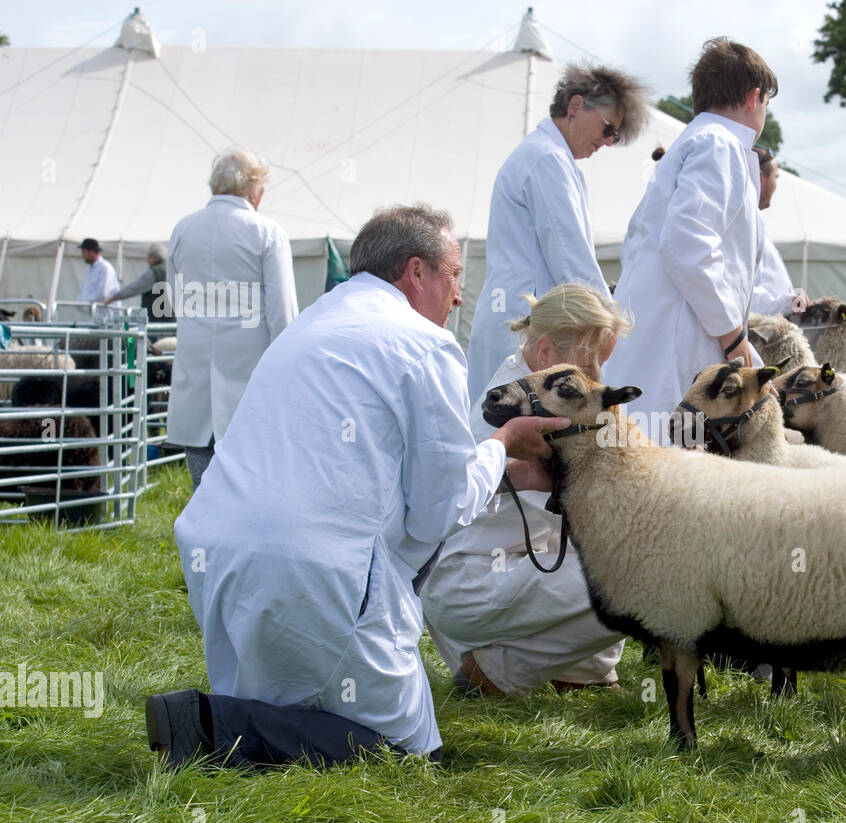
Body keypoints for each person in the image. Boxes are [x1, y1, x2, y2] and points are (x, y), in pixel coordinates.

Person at [146, 205, 563, 770]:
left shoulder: (313, 323)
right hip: (314, 571)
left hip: (218, 555)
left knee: (298, 700)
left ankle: (230, 724)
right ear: (417, 272)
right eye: (456, 275)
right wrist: (502, 444)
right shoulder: (425, 344)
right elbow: (438, 512)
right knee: (411, 759)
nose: (461, 296)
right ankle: (207, 727)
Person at [421, 282, 631, 696]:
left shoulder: (529, 386)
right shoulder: (521, 407)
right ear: (548, 352)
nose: (597, 380)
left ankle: (582, 673)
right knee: (632, 576)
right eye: (590, 368)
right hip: (472, 581)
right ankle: (496, 672)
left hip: (496, 571)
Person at [604, 38, 777, 444]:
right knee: (667, 472)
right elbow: (687, 243)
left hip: (665, 331)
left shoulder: (697, 141)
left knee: (642, 459)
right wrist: (733, 338)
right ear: (755, 97)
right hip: (681, 342)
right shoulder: (719, 144)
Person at [464, 62, 650, 399]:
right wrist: (612, 326)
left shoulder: (546, 156)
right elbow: (572, 262)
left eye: (616, 136)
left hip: (519, 323)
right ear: (576, 106)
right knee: (510, 441)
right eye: (609, 128)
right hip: (523, 330)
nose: (609, 141)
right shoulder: (548, 160)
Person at [165, 146, 298, 490]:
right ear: (255, 189)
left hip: (194, 386)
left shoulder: (182, 230)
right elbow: (283, 315)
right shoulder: (266, 232)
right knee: (249, 494)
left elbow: (177, 301)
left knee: (202, 494)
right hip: (249, 391)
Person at [749, 146, 810, 317]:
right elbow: (742, 292)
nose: (776, 185)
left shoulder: (753, 223)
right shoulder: (743, 227)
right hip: (758, 334)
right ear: (761, 178)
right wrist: (787, 304)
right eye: (775, 177)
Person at [104, 242, 170, 317]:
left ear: (153, 257)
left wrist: (114, 297)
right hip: (173, 318)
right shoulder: (170, 269)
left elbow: (135, 288)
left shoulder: (154, 272)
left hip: (157, 317)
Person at [76, 238, 119, 304]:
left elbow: (103, 293)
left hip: (107, 312)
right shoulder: (89, 270)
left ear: (91, 252)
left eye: (83, 252)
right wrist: (80, 302)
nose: (82, 256)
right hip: (94, 310)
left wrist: (85, 302)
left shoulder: (105, 268)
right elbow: (85, 291)